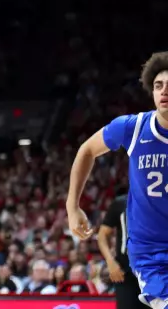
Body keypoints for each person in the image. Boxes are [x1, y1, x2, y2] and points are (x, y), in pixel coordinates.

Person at [67, 51, 168, 309]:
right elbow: (87, 150)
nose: (164, 91)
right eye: (158, 86)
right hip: (151, 254)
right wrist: (72, 205)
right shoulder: (133, 128)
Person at [99, 192, 142, 309]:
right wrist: (110, 261)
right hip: (125, 273)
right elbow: (102, 235)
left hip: (154, 271)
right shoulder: (120, 202)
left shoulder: (161, 200)